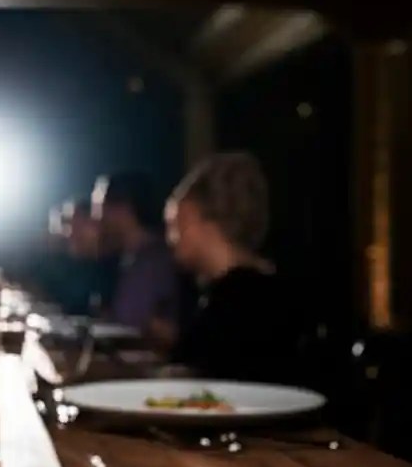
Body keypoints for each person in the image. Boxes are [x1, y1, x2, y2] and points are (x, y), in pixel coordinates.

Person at [164, 152, 300, 384]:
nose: (169, 238)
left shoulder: (228, 307)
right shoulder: (281, 293)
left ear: (189, 215)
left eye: (172, 225)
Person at [96, 172, 185, 346]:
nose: (98, 219)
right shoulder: (131, 259)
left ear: (121, 209)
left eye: (100, 208)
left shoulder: (153, 263)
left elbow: (132, 328)